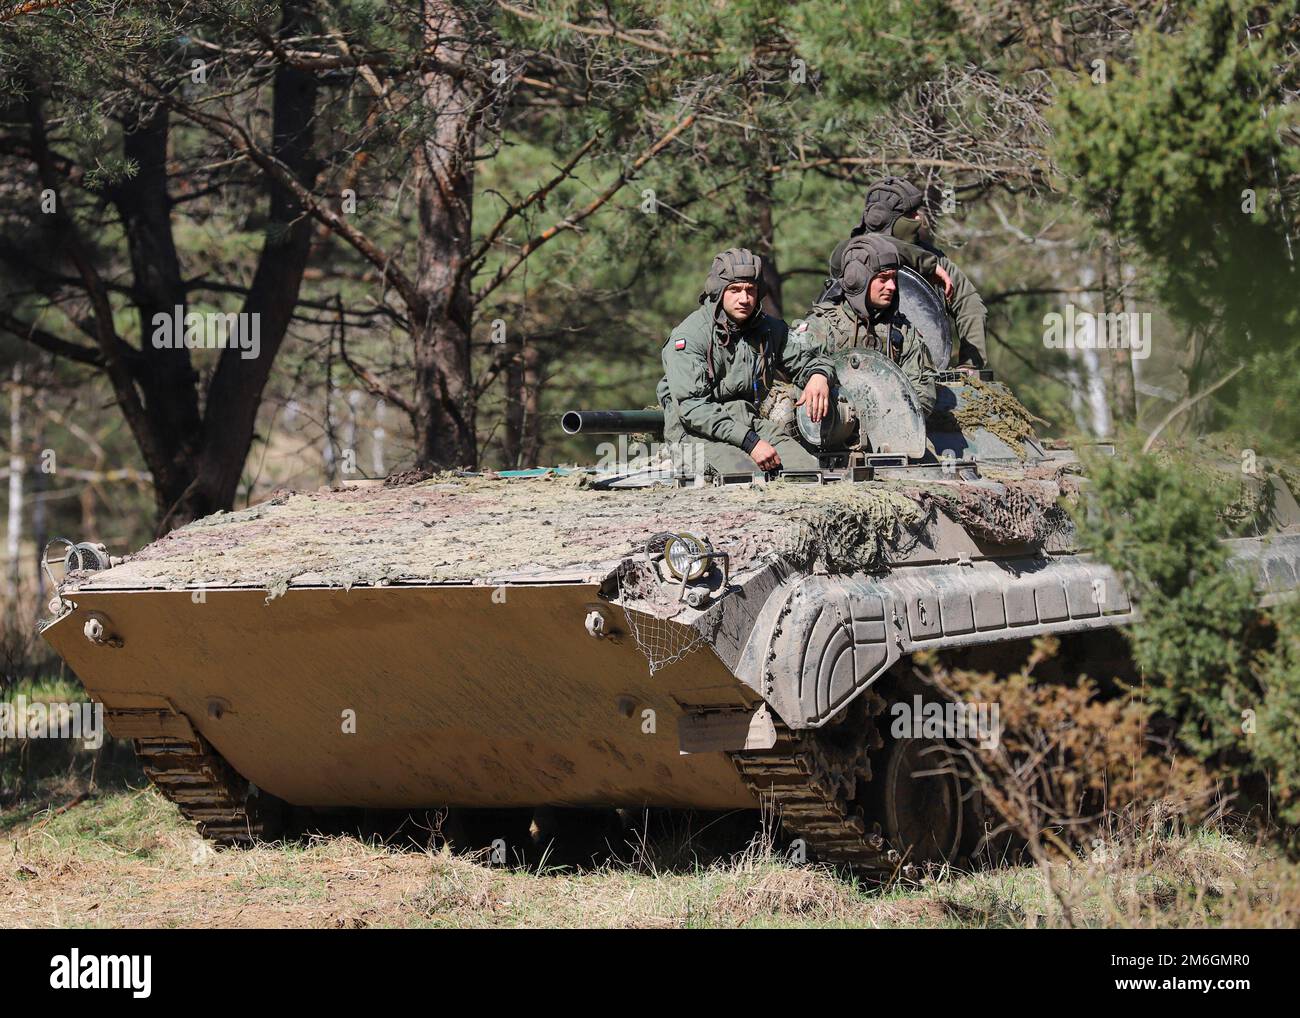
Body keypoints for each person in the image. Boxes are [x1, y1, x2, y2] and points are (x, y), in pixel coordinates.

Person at [657, 248, 834, 475]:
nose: (744, 298)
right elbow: (692, 408)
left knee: (807, 472)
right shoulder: (690, 336)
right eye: (735, 290)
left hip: (749, 422)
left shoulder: (769, 330)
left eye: (751, 290)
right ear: (719, 292)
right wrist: (750, 442)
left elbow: (810, 359)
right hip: (695, 434)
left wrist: (819, 376)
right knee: (748, 477)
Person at [830, 176, 988, 369]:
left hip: (923, 370)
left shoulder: (935, 260)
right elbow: (860, 247)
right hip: (854, 366)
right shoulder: (853, 256)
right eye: (911, 214)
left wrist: (969, 365)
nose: (918, 219)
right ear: (887, 219)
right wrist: (922, 261)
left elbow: (969, 305)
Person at [798, 235, 937, 417]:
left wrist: (886, 408)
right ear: (857, 279)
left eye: (894, 278)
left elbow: (923, 391)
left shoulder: (903, 331)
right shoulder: (823, 325)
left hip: (892, 429)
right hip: (829, 430)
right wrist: (817, 376)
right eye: (883, 278)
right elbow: (794, 367)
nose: (892, 286)